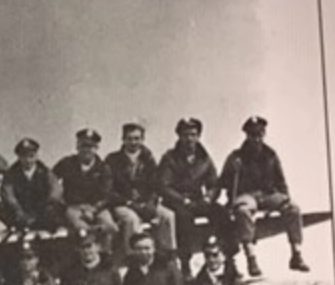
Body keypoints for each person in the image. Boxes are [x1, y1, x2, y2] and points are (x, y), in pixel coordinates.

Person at [219, 116, 308, 276]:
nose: (257, 139)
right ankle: (251, 259)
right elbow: (224, 183)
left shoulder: (271, 155)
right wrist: (233, 173)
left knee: (293, 208)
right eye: (253, 135)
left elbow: (281, 182)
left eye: (260, 134)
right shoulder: (236, 157)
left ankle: (296, 254)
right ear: (247, 135)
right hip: (246, 196)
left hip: (268, 195)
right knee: (243, 211)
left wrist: (283, 202)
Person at [156, 117, 225, 275]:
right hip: (176, 201)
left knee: (220, 213)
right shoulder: (170, 158)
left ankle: (226, 256)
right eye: (185, 135)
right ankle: (185, 262)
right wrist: (182, 199)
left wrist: (208, 197)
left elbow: (214, 183)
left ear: (199, 136)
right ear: (179, 136)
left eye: (193, 134)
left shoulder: (204, 158)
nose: (190, 139)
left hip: (197, 200)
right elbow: (163, 186)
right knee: (183, 218)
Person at [105, 123, 176, 263]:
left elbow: (156, 185)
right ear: (123, 139)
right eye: (129, 138)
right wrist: (128, 203)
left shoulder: (148, 159)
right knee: (131, 220)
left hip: (145, 202)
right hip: (122, 203)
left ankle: (167, 257)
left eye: (137, 138)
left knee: (168, 216)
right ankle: (133, 258)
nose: (133, 142)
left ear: (142, 139)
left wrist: (151, 202)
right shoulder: (112, 160)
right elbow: (108, 190)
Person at [53, 128, 118, 255]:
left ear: (96, 148)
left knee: (110, 227)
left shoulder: (103, 167)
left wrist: (94, 209)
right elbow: (51, 180)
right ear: (77, 146)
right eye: (83, 146)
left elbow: (107, 193)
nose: (86, 150)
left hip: (97, 207)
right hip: (73, 207)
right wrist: (60, 201)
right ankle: (83, 259)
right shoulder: (67, 163)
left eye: (90, 146)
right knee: (81, 229)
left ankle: (105, 256)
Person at [0, 138, 64, 233]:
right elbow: (7, 193)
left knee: (56, 209)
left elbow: (56, 189)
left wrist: (48, 203)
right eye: (24, 156)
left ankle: (41, 225)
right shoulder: (11, 173)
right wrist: (18, 210)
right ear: (19, 157)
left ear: (36, 156)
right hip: (21, 210)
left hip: (40, 209)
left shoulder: (44, 171)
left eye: (31, 156)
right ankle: (19, 226)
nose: (28, 160)